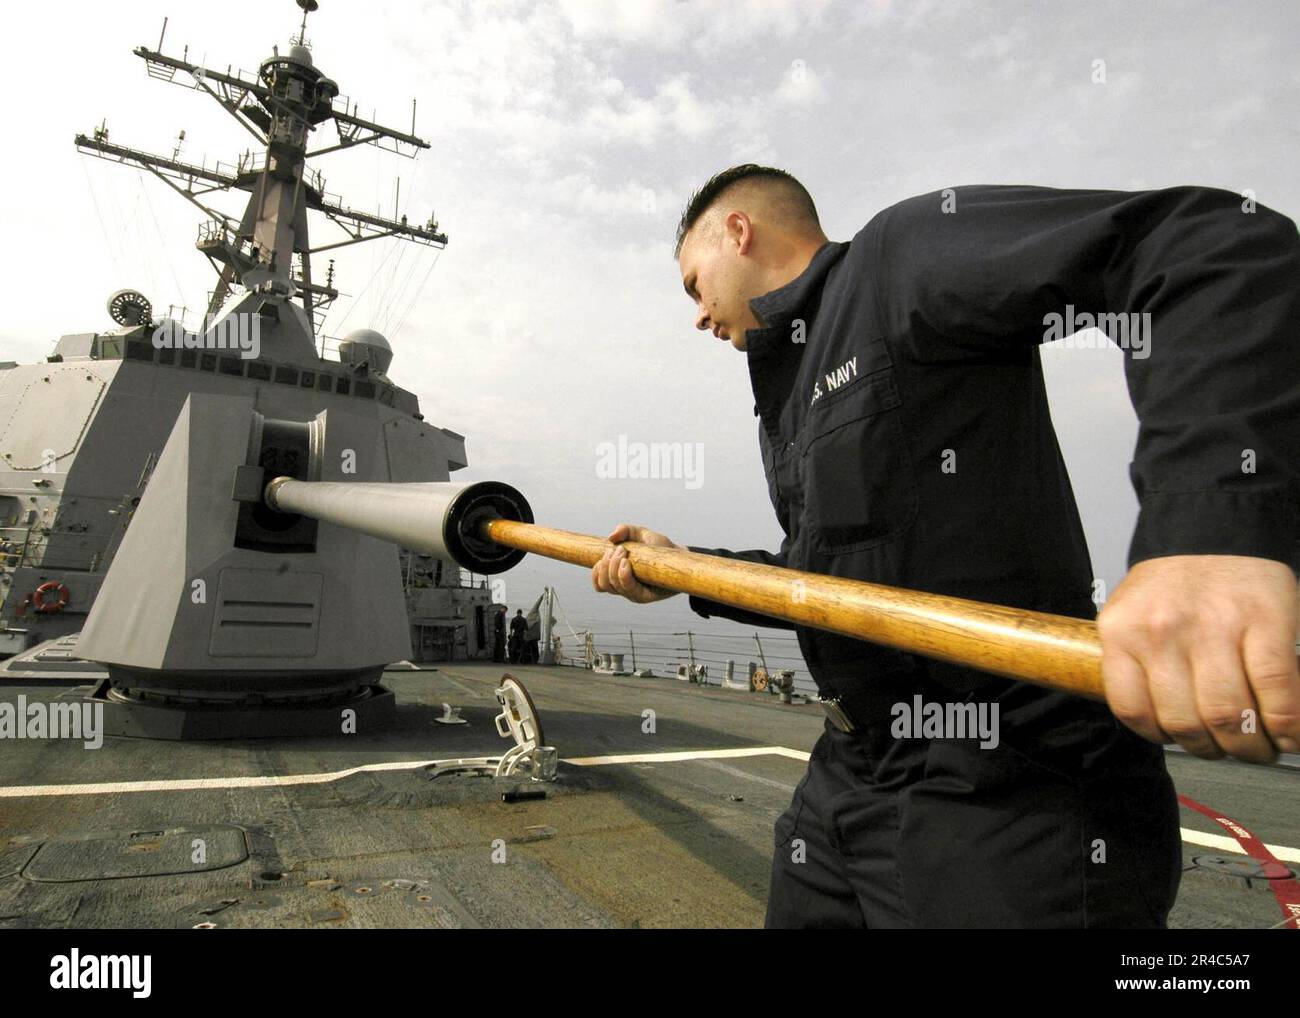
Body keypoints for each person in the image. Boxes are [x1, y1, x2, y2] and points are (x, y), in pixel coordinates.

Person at [591, 165, 1300, 929]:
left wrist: (1209, 533)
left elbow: (1203, 244)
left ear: (738, 231)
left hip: (1007, 788)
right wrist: (684, 569)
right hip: (849, 777)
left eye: (695, 285)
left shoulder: (899, 259)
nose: (698, 315)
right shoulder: (787, 392)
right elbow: (823, 583)